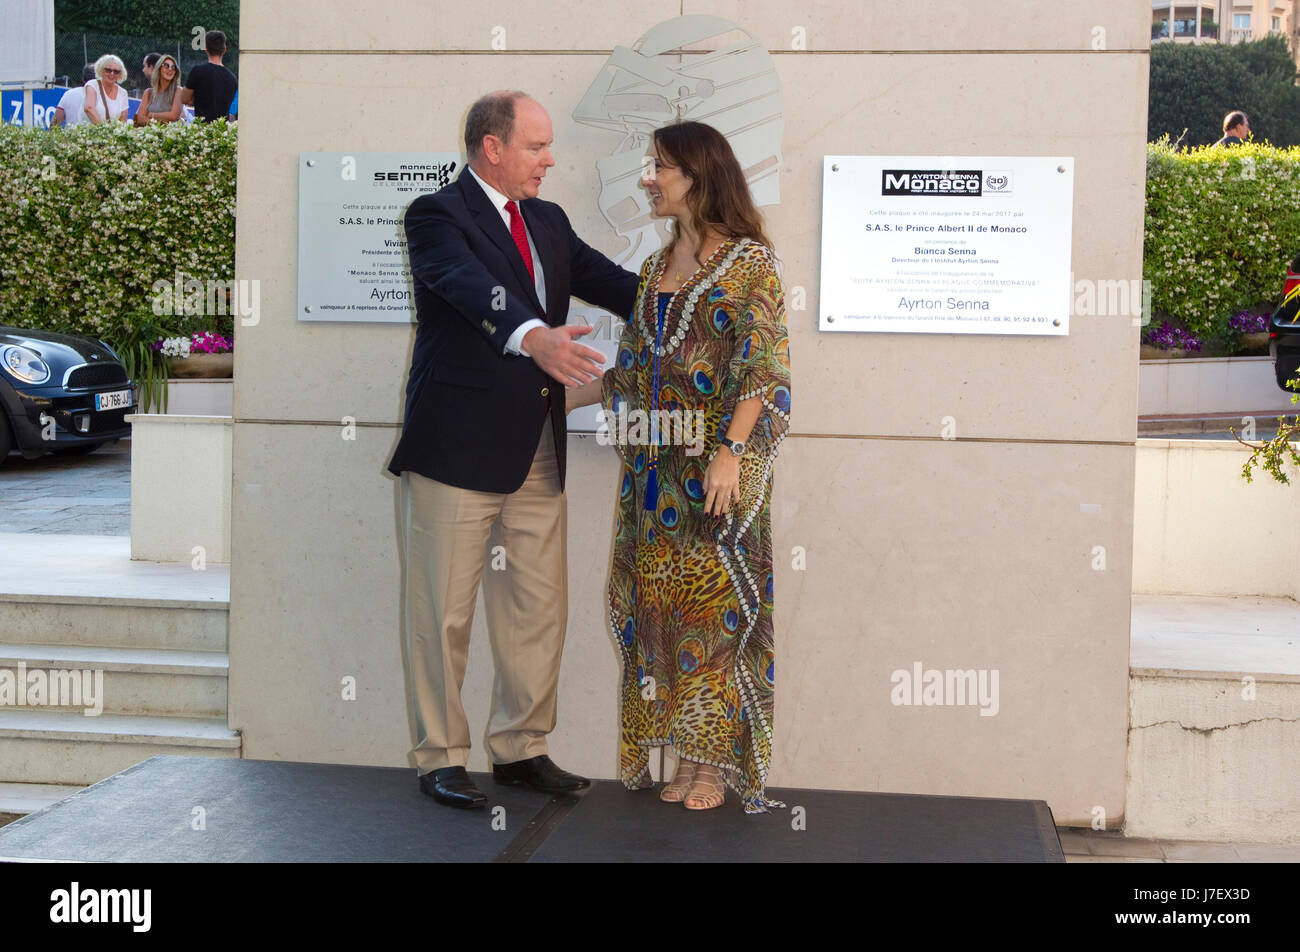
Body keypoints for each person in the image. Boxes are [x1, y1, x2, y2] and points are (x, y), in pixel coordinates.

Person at [388, 90, 639, 809]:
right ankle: (440, 755)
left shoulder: (550, 221)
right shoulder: (436, 215)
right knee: (442, 614)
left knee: (538, 608)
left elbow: (615, 284)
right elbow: (467, 288)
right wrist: (536, 337)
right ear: (492, 148)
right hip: (456, 450)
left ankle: (523, 748)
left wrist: (692, 292)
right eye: (536, 147)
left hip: (537, 448)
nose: (549, 160)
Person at [567, 120, 791, 813]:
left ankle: (712, 768)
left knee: (715, 618)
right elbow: (631, 370)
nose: (648, 177)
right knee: (663, 616)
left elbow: (764, 368)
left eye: (660, 166)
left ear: (698, 174)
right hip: (654, 482)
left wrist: (729, 453)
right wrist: (545, 397)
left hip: (718, 476)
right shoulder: (654, 269)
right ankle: (688, 758)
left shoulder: (753, 263)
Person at [182, 30, 237, 122]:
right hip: (222, 132)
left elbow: (184, 98)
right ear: (224, 49)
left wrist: (198, 98)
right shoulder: (232, 78)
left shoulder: (197, 71)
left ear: (205, 48)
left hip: (202, 130)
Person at [134, 54, 183, 125]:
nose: (170, 69)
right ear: (159, 69)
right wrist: (160, 123)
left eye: (173, 67)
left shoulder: (178, 91)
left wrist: (150, 114)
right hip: (149, 133)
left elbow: (173, 116)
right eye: (166, 66)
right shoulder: (148, 92)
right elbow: (140, 118)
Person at [81, 54, 130, 124]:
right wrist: (104, 129)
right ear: (101, 70)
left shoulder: (123, 93)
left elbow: (122, 120)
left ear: (120, 74)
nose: (112, 74)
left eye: (116, 72)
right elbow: (89, 108)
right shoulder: (92, 85)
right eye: (108, 70)